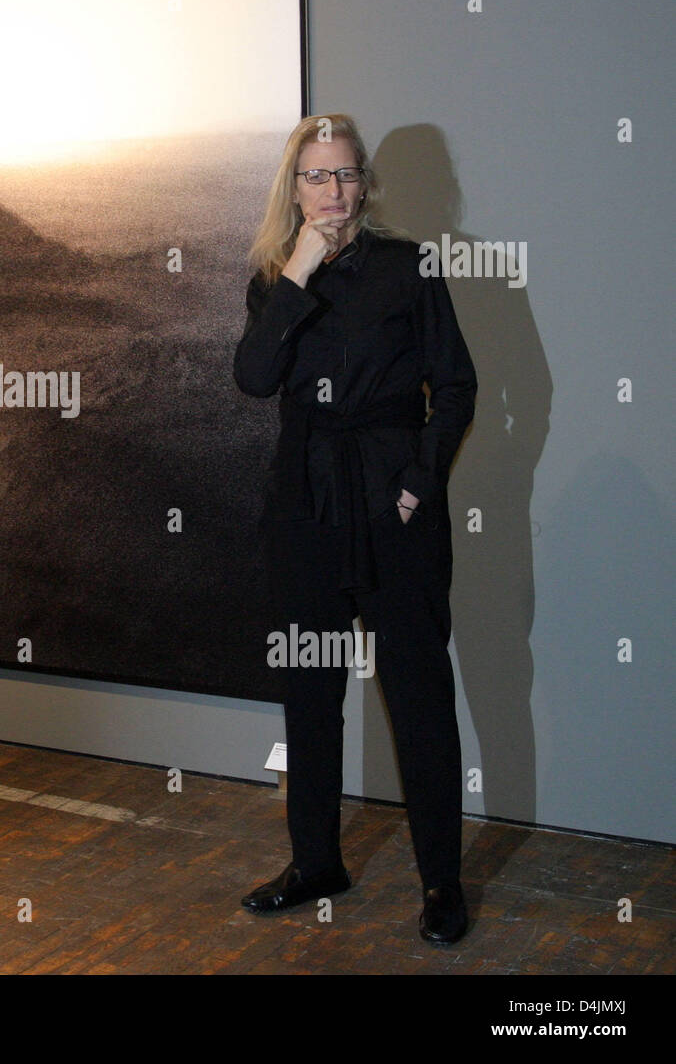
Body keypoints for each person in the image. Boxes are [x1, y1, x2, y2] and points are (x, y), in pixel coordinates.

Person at [232, 113, 477, 946]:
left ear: (363, 184)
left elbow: (458, 385)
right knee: (310, 695)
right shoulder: (275, 276)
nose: (332, 192)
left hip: (393, 508)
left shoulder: (412, 266)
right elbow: (254, 377)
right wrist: (299, 269)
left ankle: (442, 882)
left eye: (344, 176)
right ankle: (315, 863)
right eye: (315, 177)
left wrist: (418, 481)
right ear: (293, 188)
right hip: (305, 508)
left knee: (418, 699)